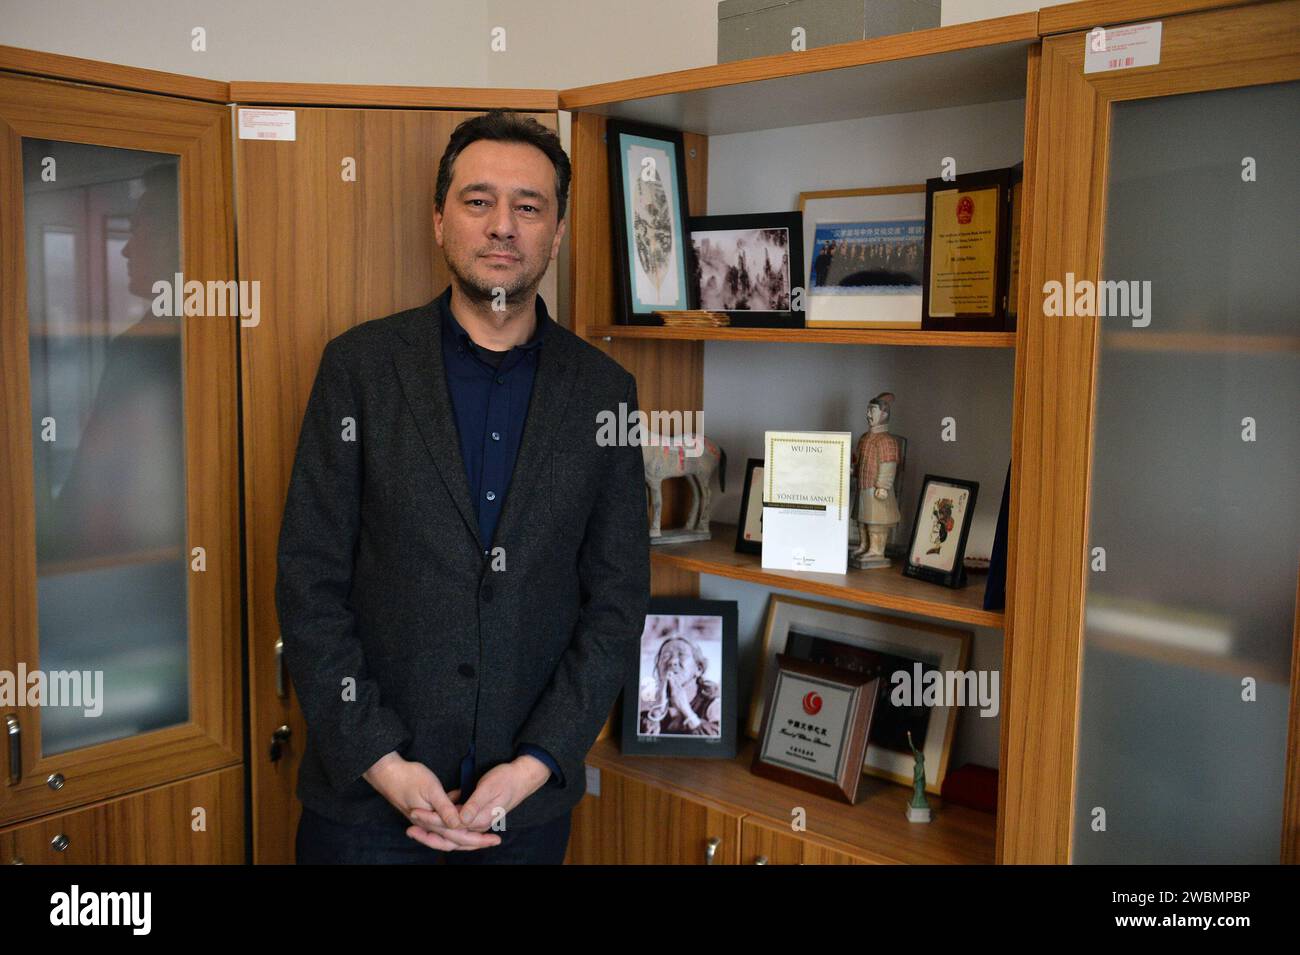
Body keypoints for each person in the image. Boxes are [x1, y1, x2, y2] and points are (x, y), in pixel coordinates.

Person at [277, 110, 650, 865]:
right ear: (440, 220)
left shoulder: (606, 394)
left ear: (557, 230)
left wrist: (536, 762)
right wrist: (383, 761)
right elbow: (308, 584)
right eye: (479, 201)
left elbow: (616, 604)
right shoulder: (358, 370)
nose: (503, 226)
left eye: (529, 206)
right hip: (362, 810)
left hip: (523, 814)